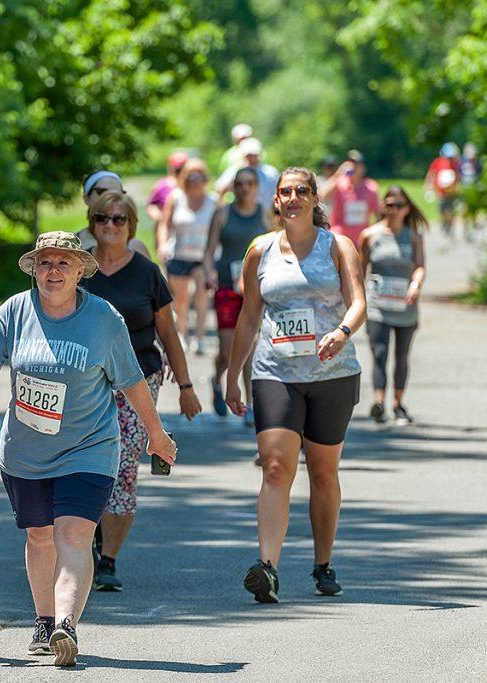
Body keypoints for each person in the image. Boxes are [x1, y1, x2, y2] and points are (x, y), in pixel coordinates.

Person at [0, 232, 177, 667]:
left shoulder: (104, 319)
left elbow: (132, 381)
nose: (54, 271)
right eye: (45, 263)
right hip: (25, 453)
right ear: (34, 270)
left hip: (90, 447)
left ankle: (66, 625)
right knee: (39, 536)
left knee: (74, 533)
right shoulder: (14, 311)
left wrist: (156, 434)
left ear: (81, 271)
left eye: (64, 262)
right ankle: (44, 621)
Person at [225, 167, 366, 604]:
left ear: (314, 198)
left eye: (301, 191)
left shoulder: (338, 246)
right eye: (285, 192)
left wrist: (341, 332)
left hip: (333, 374)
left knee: (323, 473)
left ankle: (323, 563)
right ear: (276, 201)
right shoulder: (260, 250)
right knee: (274, 466)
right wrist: (232, 375)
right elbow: (249, 316)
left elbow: (359, 301)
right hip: (275, 372)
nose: (292, 198)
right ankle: (266, 568)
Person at [82, 191, 202, 592]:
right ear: (92, 222)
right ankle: (82, 542)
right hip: (85, 382)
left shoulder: (147, 272)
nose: (111, 226)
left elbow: (168, 332)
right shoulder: (77, 271)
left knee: (123, 469)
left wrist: (185, 386)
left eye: (119, 219)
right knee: (83, 463)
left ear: (131, 225)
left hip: (138, 381)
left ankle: (108, 559)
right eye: (103, 218)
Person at [203, 167, 268, 421]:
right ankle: (217, 379)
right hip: (227, 288)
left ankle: (250, 405)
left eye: (250, 183)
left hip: (254, 289)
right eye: (240, 183)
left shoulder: (264, 214)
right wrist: (209, 273)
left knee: (251, 347)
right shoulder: (222, 214)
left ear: (257, 187)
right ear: (233, 187)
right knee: (229, 350)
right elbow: (209, 252)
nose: (245, 188)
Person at [358, 187, 427, 426]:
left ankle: (398, 403)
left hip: (405, 307)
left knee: (401, 356)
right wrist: (359, 299)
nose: (394, 210)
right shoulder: (370, 235)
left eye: (399, 205)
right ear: (382, 207)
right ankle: (379, 403)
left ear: (407, 209)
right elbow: (359, 269)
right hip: (378, 305)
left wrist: (415, 284)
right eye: (389, 205)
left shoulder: (414, 237)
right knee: (379, 353)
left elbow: (420, 265)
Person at [156, 158, 218, 354]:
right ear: (184, 177)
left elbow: (220, 228)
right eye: (191, 176)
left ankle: (199, 339)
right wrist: (163, 244)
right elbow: (164, 224)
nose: (195, 180)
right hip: (179, 254)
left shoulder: (214, 201)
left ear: (205, 178)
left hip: (204, 257)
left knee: (202, 296)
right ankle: (182, 334)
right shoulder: (176, 197)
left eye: (199, 176)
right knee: (181, 299)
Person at [75, 170, 149, 257]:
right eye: (102, 192)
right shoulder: (70, 246)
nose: (109, 197)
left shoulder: (136, 248)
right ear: (86, 198)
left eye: (116, 193)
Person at [320, 149, 380, 247]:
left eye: (357, 164)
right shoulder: (339, 183)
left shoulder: (371, 187)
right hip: (340, 239)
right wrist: (338, 174)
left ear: (363, 167)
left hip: (361, 240)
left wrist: (373, 235)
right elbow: (322, 196)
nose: (354, 167)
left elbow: (378, 215)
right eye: (351, 163)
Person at [215, 137, 279, 210]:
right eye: (249, 155)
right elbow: (219, 189)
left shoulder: (270, 172)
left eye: (255, 155)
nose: (252, 158)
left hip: (265, 214)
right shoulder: (234, 170)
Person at [424, 142, 462, 237]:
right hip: (441, 193)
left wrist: (457, 187)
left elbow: (458, 177)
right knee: (442, 210)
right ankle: (444, 225)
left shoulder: (456, 164)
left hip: (452, 193)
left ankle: (449, 227)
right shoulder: (438, 162)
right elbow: (431, 174)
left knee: (451, 210)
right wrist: (428, 186)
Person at [146, 151, 189, 224]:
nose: (179, 172)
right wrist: (160, 217)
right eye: (177, 169)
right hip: (166, 225)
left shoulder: (192, 184)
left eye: (181, 169)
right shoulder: (162, 185)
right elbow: (151, 205)